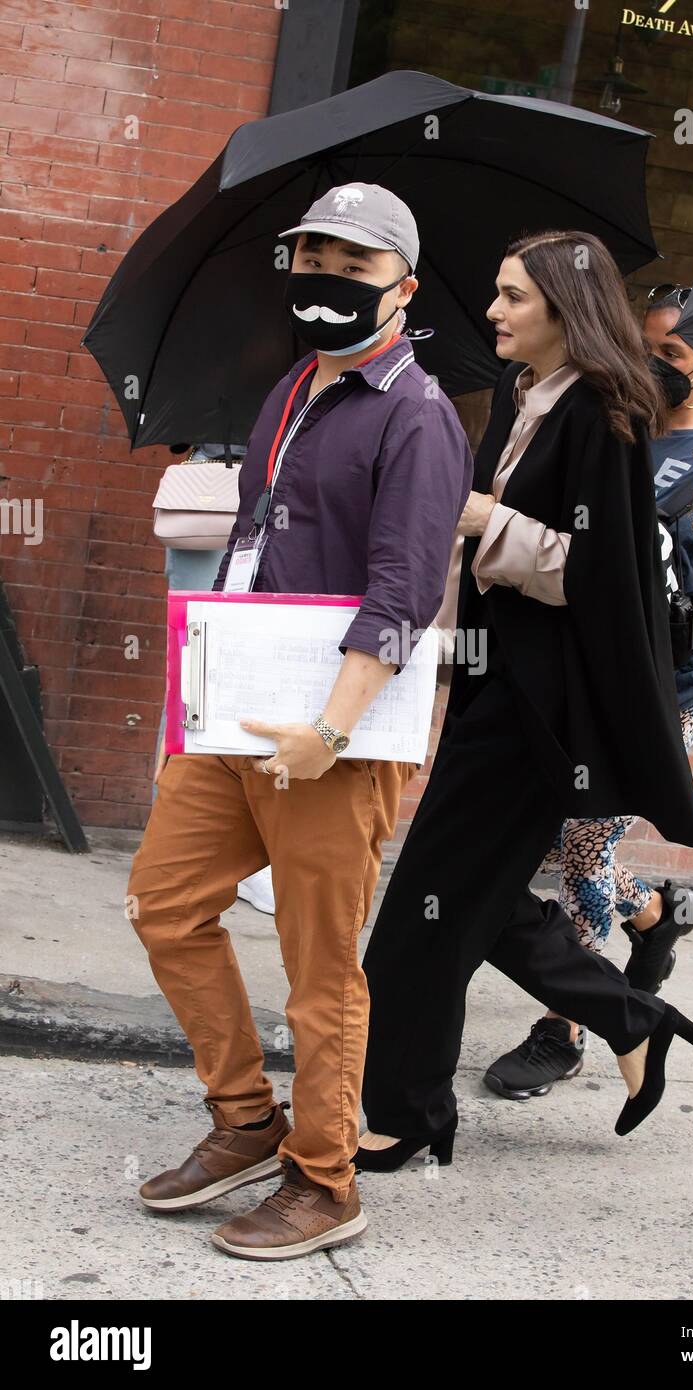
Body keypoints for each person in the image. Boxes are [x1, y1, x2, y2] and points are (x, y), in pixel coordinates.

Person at [127, 183, 474, 1258]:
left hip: (330, 737)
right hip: (234, 714)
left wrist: (326, 732)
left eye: (352, 266)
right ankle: (243, 1117)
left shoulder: (417, 417)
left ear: (402, 289)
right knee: (165, 905)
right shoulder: (291, 389)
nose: (324, 282)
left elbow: (403, 591)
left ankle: (324, 1179)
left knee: (319, 968)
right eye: (310, 260)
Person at [355, 231, 693, 1173]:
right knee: (483, 897)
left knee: (418, 918)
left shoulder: (604, 410)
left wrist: (486, 520)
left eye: (514, 297)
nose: (496, 312)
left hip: (538, 711)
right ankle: (633, 1017)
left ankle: (402, 1115)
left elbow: (607, 574)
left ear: (563, 307)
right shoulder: (526, 399)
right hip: (493, 688)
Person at [484, 282, 693, 1102]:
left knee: (584, 842)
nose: (652, 364)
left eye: (671, 354)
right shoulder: (606, 430)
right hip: (588, 675)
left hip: (676, 681)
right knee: (559, 842)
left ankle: (566, 1028)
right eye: (645, 346)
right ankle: (654, 915)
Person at [152, 444, 275, 915]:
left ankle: (241, 852)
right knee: (193, 667)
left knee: (246, 669)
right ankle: (174, 831)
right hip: (215, 507)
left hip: (269, 518)